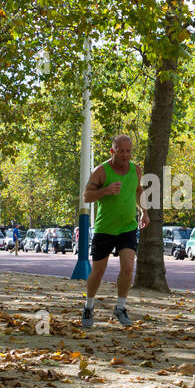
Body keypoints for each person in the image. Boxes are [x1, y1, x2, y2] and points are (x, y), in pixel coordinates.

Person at [81, 134, 148, 328]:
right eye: (121, 151)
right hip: (105, 229)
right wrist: (106, 191)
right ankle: (89, 306)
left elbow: (138, 191)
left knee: (128, 267)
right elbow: (87, 196)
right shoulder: (101, 171)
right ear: (113, 151)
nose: (126, 155)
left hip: (127, 227)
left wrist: (144, 212)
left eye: (129, 151)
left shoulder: (136, 170)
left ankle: (120, 307)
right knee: (98, 271)